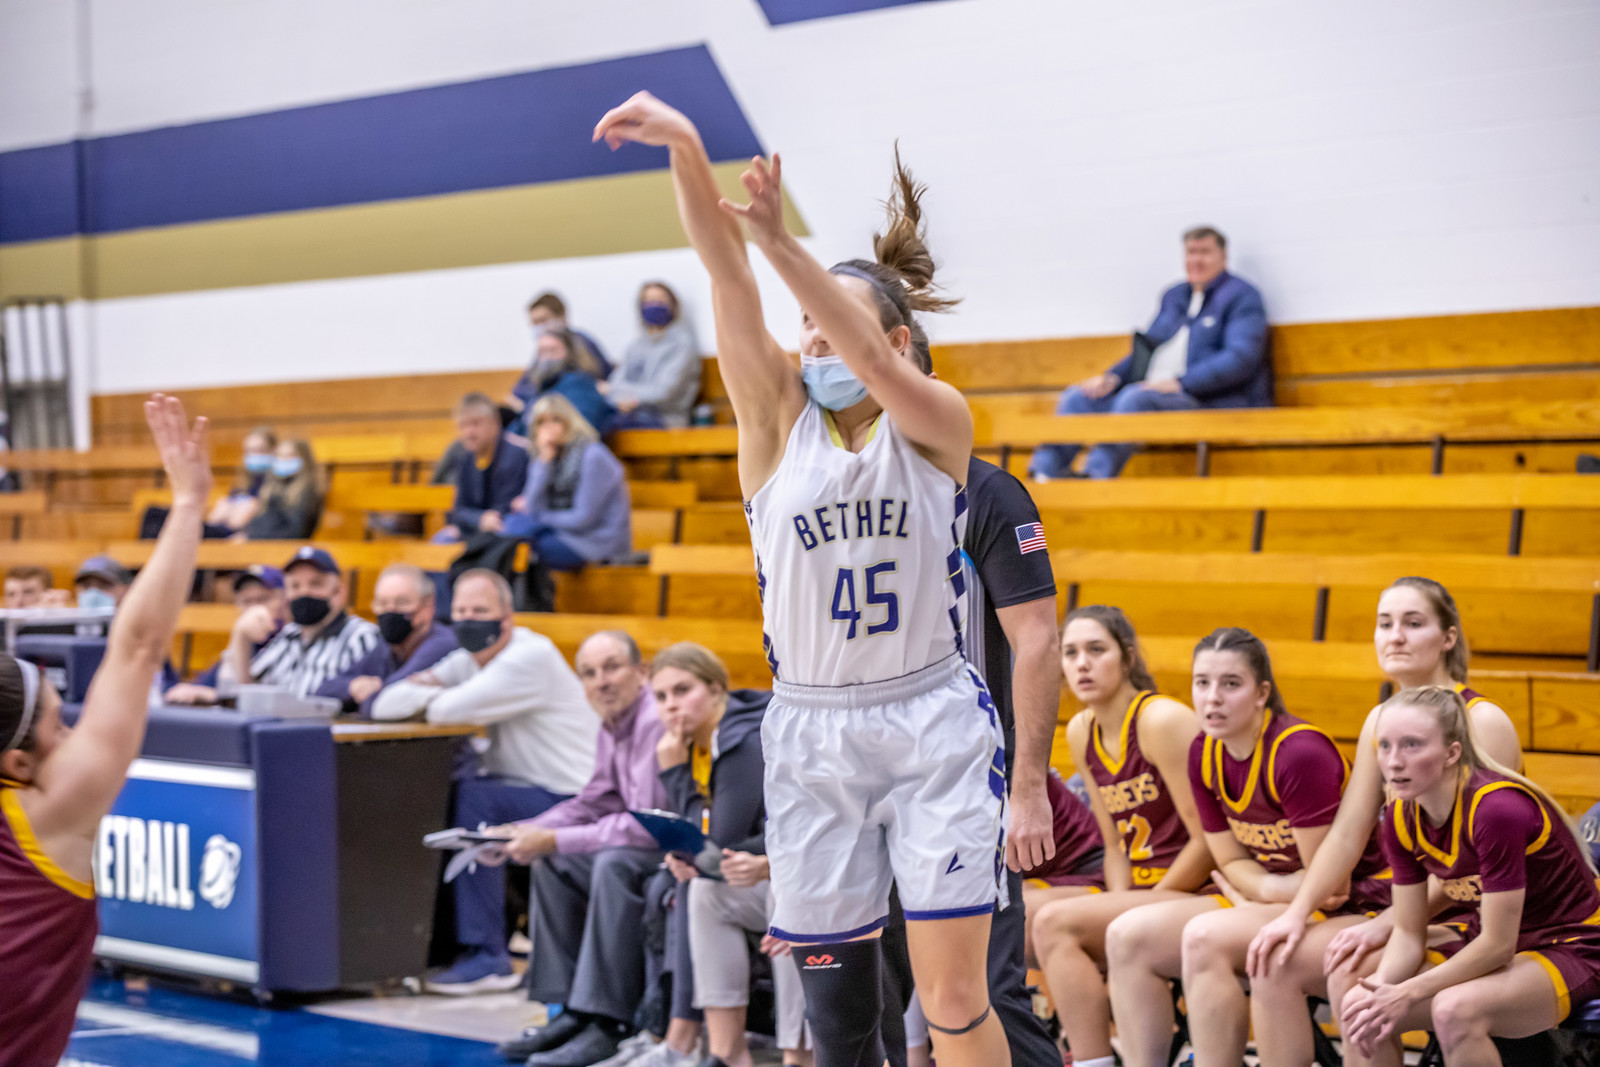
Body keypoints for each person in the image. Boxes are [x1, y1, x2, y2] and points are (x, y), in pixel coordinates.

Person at [596, 93, 1006, 1067]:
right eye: (806, 331)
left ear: (897, 343)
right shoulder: (777, 430)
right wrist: (689, 149)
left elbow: (855, 341)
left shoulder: (937, 421)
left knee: (949, 995)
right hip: (811, 726)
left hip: (929, 720)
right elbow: (722, 271)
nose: (812, 344)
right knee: (834, 1017)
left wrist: (786, 246)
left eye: (828, 327)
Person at [0, 394, 208, 1065]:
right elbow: (139, 647)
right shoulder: (45, 819)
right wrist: (187, 505)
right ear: (19, 762)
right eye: (60, 726)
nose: (70, 740)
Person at [1244, 576, 1524, 1065]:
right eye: (1384, 623)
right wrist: (1296, 912)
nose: (1394, 635)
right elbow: (1348, 833)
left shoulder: (1483, 722)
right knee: (1275, 960)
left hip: (1489, 914)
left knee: (1352, 981)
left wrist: (1393, 922)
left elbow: (1477, 865)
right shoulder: (1381, 720)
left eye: (1412, 623)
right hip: (1413, 908)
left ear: (1448, 638)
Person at [1104, 627, 1389, 1067]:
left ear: (1262, 694)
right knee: (1126, 935)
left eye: (1230, 684)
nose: (1212, 698)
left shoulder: (1298, 753)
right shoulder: (1203, 750)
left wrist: (1257, 891)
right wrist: (1270, 888)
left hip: (1356, 903)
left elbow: (1332, 885)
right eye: (1202, 683)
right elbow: (1229, 860)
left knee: (1204, 937)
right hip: (1276, 895)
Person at [879, 442, 1075, 1067]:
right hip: (873, 770)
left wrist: (1027, 788)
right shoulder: (847, 489)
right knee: (869, 988)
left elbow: (1038, 644)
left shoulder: (988, 493)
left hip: (971, 770)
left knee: (984, 986)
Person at [1335, 686, 1600, 1066]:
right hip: (1500, 942)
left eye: (1411, 745)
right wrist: (1382, 992)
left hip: (1572, 943)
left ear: (1452, 753)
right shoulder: (1399, 816)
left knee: (1454, 1010)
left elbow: (1497, 946)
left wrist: (1407, 992)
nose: (1393, 762)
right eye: (1386, 746)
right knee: (1360, 1008)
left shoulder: (1495, 809)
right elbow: (1409, 933)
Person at [372, 570, 597, 994]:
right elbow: (386, 704)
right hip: (526, 789)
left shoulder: (530, 655)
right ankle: (459, 943)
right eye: (460, 611)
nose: (469, 619)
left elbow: (446, 712)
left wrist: (431, 697)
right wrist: (439, 697)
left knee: (477, 799)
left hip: (575, 798)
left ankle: (487, 955)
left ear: (507, 618)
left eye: (480, 611)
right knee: (470, 792)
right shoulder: (468, 660)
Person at [1029, 606, 1211, 1067]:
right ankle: (1026, 1046)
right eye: (1070, 653)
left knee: (1056, 924)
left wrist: (1137, 905)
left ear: (1127, 658)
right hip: (1141, 884)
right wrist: (1118, 899)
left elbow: (1209, 839)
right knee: (1016, 911)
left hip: (1198, 884)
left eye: (1096, 650)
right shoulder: (1079, 730)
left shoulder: (1161, 720)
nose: (1081, 664)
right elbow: (1113, 846)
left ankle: (1095, 1060)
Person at [490, 631, 669, 1067]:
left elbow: (648, 826)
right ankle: (571, 1009)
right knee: (556, 861)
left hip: (674, 851)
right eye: (589, 673)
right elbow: (595, 801)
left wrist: (554, 837)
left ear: (640, 672)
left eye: (612, 667)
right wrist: (526, 830)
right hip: (639, 845)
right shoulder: (612, 723)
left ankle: (609, 1021)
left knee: (611, 864)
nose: (601, 681)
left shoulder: (654, 720)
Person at [645, 643, 809, 1067]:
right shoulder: (703, 741)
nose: (671, 706)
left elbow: (722, 843)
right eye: (661, 697)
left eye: (683, 690)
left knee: (778, 896)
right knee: (702, 892)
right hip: (768, 865)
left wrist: (673, 771)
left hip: (805, 873)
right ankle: (727, 1053)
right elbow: (711, 850)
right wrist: (690, 856)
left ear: (717, 689)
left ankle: (799, 1055)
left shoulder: (739, 739)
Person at [1028, 227, 1270, 480]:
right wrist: (1113, 377)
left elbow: (1241, 358)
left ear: (1223, 256)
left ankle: (1095, 475)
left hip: (1204, 399)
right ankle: (1042, 476)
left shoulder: (1242, 296)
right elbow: (1147, 348)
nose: (1196, 260)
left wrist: (1180, 383)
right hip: (1154, 391)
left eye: (1205, 252)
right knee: (1078, 397)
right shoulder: (1175, 296)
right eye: (1191, 252)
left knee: (1135, 398)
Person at [506, 393, 632, 580]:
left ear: (570, 422)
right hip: (561, 533)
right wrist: (543, 462)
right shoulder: (546, 456)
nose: (549, 427)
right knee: (508, 533)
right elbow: (532, 506)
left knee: (524, 548)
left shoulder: (593, 456)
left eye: (556, 419)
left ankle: (530, 606)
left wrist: (540, 517)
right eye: (541, 422)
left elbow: (582, 518)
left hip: (595, 541)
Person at [229, 546, 379, 698]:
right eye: (295, 586)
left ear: (339, 592)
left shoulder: (360, 637)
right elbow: (248, 687)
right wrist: (241, 637)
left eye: (315, 584)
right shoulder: (289, 635)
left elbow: (368, 692)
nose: (304, 592)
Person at [313, 564, 456, 717]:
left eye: (401, 602)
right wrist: (353, 687)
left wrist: (366, 696)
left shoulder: (443, 645)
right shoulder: (387, 646)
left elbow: (384, 701)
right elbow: (322, 694)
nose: (390, 611)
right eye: (382, 604)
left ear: (428, 606)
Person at [164, 565, 287, 705]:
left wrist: (211, 696)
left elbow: (261, 701)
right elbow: (206, 685)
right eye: (247, 601)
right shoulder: (244, 640)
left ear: (283, 600)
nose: (254, 608)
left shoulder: (287, 645)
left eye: (263, 599)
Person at [601, 282, 701, 430]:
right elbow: (613, 384)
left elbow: (663, 392)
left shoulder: (682, 344)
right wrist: (620, 398)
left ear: (673, 305)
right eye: (648, 301)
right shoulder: (636, 345)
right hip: (629, 413)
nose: (654, 306)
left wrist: (630, 398)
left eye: (660, 300)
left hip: (667, 418)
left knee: (601, 424)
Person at [436, 392, 530, 544]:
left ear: (495, 424)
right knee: (441, 541)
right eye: (463, 425)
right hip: (476, 529)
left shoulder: (516, 455)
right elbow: (458, 510)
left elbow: (507, 509)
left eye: (475, 423)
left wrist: (477, 520)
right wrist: (478, 519)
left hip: (505, 532)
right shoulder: (465, 457)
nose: (469, 432)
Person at [511, 327, 616, 438]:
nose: (547, 357)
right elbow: (522, 425)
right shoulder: (541, 386)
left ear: (570, 353)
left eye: (553, 350)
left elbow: (582, 432)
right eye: (542, 351)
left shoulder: (579, 384)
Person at [241, 438, 323, 540]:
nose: (283, 460)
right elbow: (261, 523)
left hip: (281, 548)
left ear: (304, 458)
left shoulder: (308, 492)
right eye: (279, 455)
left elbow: (295, 532)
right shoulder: (271, 487)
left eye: (290, 455)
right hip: (261, 544)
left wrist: (253, 540)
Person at [207, 425, 276, 535]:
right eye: (249, 451)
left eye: (259, 450)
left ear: (273, 451)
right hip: (229, 528)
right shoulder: (243, 481)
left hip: (253, 532)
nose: (254, 455)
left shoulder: (277, 483)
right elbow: (218, 516)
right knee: (223, 505)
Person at [528, 291, 612, 377]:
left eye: (543, 320)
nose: (539, 326)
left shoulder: (582, 344)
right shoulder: (543, 349)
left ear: (562, 317)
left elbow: (605, 377)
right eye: (535, 322)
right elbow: (525, 385)